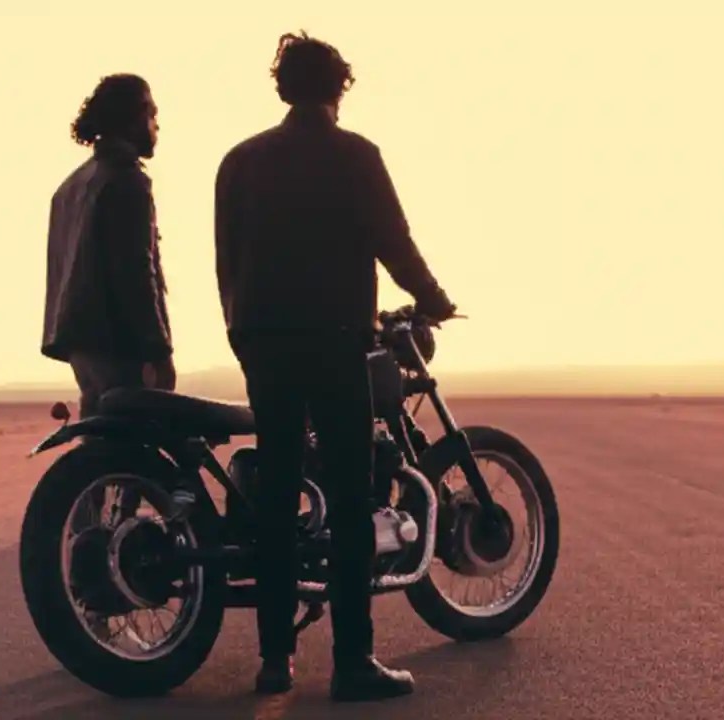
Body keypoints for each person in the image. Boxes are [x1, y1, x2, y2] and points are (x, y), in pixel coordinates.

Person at [214, 31, 458, 702]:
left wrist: (244, 338)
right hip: (334, 341)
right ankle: (352, 663)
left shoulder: (238, 162)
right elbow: (394, 243)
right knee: (353, 500)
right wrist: (434, 299)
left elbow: (225, 264)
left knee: (276, 494)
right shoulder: (355, 156)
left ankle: (275, 659)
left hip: (265, 343)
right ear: (338, 88)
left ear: (283, 87)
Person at [42, 73, 176, 419]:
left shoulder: (70, 187)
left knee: (102, 447)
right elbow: (135, 270)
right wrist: (158, 350)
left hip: (81, 342)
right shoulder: (126, 181)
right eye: (152, 115)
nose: (157, 126)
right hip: (119, 343)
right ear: (134, 118)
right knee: (134, 450)